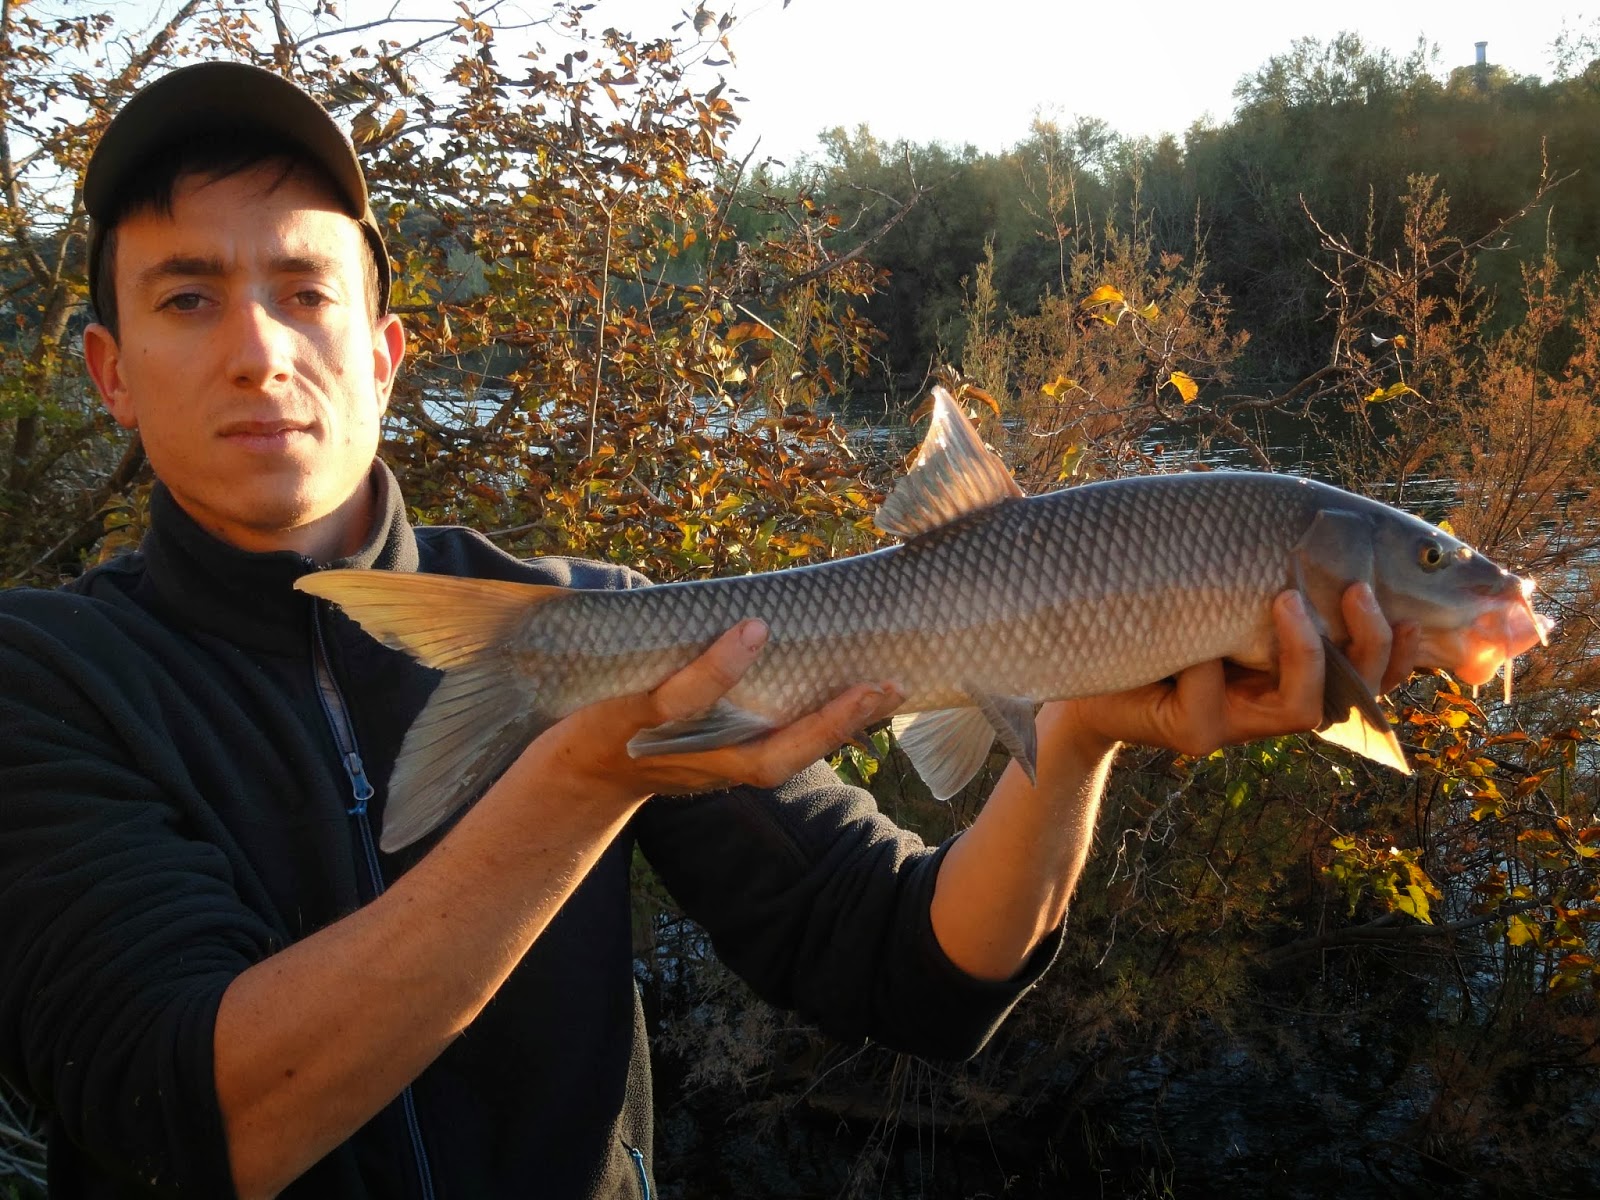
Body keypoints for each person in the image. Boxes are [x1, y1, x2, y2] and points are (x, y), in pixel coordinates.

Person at [0, 62, 1417, 1199]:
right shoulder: (47, 680)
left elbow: (914, 967)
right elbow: (199, 1122)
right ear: (111, 375)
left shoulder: (612, 626)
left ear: (382, 352)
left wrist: (1083, 722)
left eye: (305, 291)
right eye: (189, 297)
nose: (258, 347)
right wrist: (580, 778)